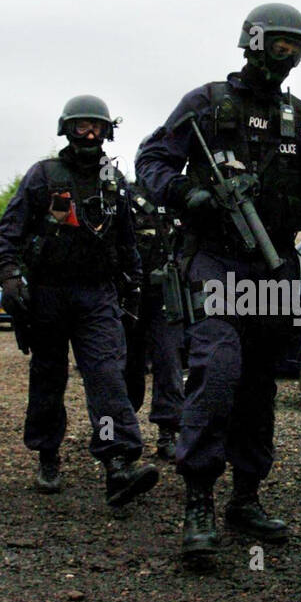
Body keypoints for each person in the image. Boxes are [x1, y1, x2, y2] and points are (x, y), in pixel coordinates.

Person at [136, 3, 301, 565]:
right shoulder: (207, 104)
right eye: (280, 46)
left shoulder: (300, 119)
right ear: (253, 44)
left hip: (275, 265)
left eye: (297, 50)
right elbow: (152, 161)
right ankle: (199, 498)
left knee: (259, 385)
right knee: (219, 370)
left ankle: (246, 496)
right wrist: (190, 195)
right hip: (217, 262)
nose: (288, 58)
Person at [0, 95, 159, 506]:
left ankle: (117, 463)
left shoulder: (113, 180)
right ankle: (48, 455)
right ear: (66, 129)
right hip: (47, 293)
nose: (89, 134)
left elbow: (127, 243)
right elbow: (6, 235)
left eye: (96, 127)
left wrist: (134, 289)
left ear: (107, 132)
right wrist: (11, 278)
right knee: (48, 377)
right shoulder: (43, 175)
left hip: (97, 295)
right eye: (81, 126)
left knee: (106, 377)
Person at [123, 185, 183, 460]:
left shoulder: (178, 197)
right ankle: (119, 432)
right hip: (130, 294)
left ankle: (167, 432)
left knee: (168, 362)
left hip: (165, 294)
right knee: (128, 367)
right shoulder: (126, 196)